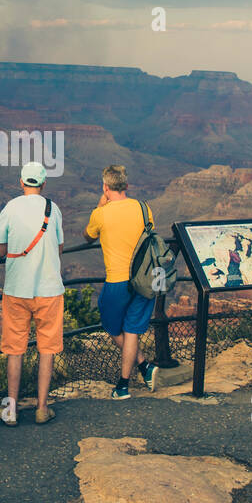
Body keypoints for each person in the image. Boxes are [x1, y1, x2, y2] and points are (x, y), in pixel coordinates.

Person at [0, 161, 65, 425]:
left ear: (21, 182)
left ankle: (10, 410)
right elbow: (59, 248)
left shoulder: (10, 208)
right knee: (47, 350)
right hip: (49, 290)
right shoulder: (53, 209)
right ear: (44, 184)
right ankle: (41, 408)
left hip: (16, 290)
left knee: (15, 350)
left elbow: (0, 251)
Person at [84, 165, 158, 399]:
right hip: (146, 278)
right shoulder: (143, 207)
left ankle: (133, 377)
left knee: (111, 326)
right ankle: (136, 374)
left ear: (105, 187)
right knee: (132, 331)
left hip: (117, 280)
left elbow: (88, 236)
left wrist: (99, 205)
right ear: (126, 186)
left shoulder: (101, 214)